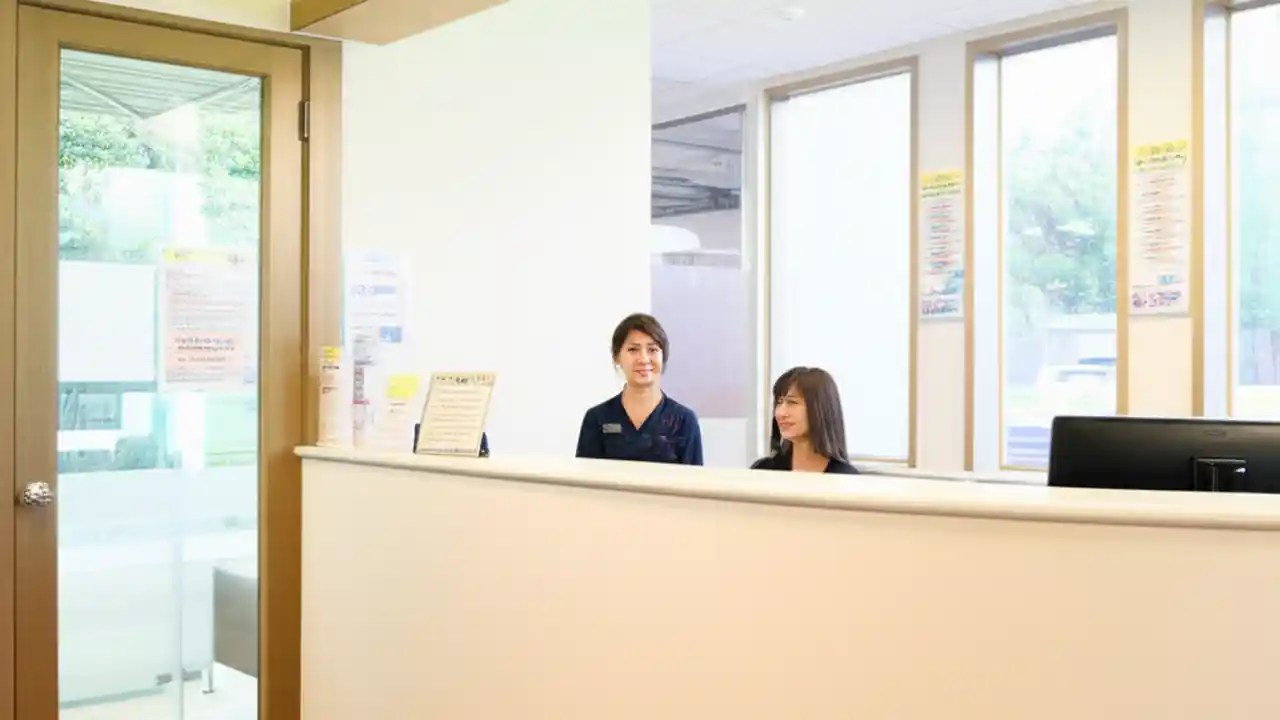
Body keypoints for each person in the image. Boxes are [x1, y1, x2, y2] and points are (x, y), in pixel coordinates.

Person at [575, 313, 703, 465]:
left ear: (663, 356)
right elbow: (586, 478)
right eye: (633, 349)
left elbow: (694, 479)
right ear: (616, 357)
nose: (643, 359)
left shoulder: (684, 421)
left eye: (652, 350)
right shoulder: (597, 419)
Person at [751, 367, 859, 474]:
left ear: (819, 409)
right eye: (779, 402)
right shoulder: (764, 470)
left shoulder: (847, 478)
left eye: (792, 402)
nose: (780, 413)